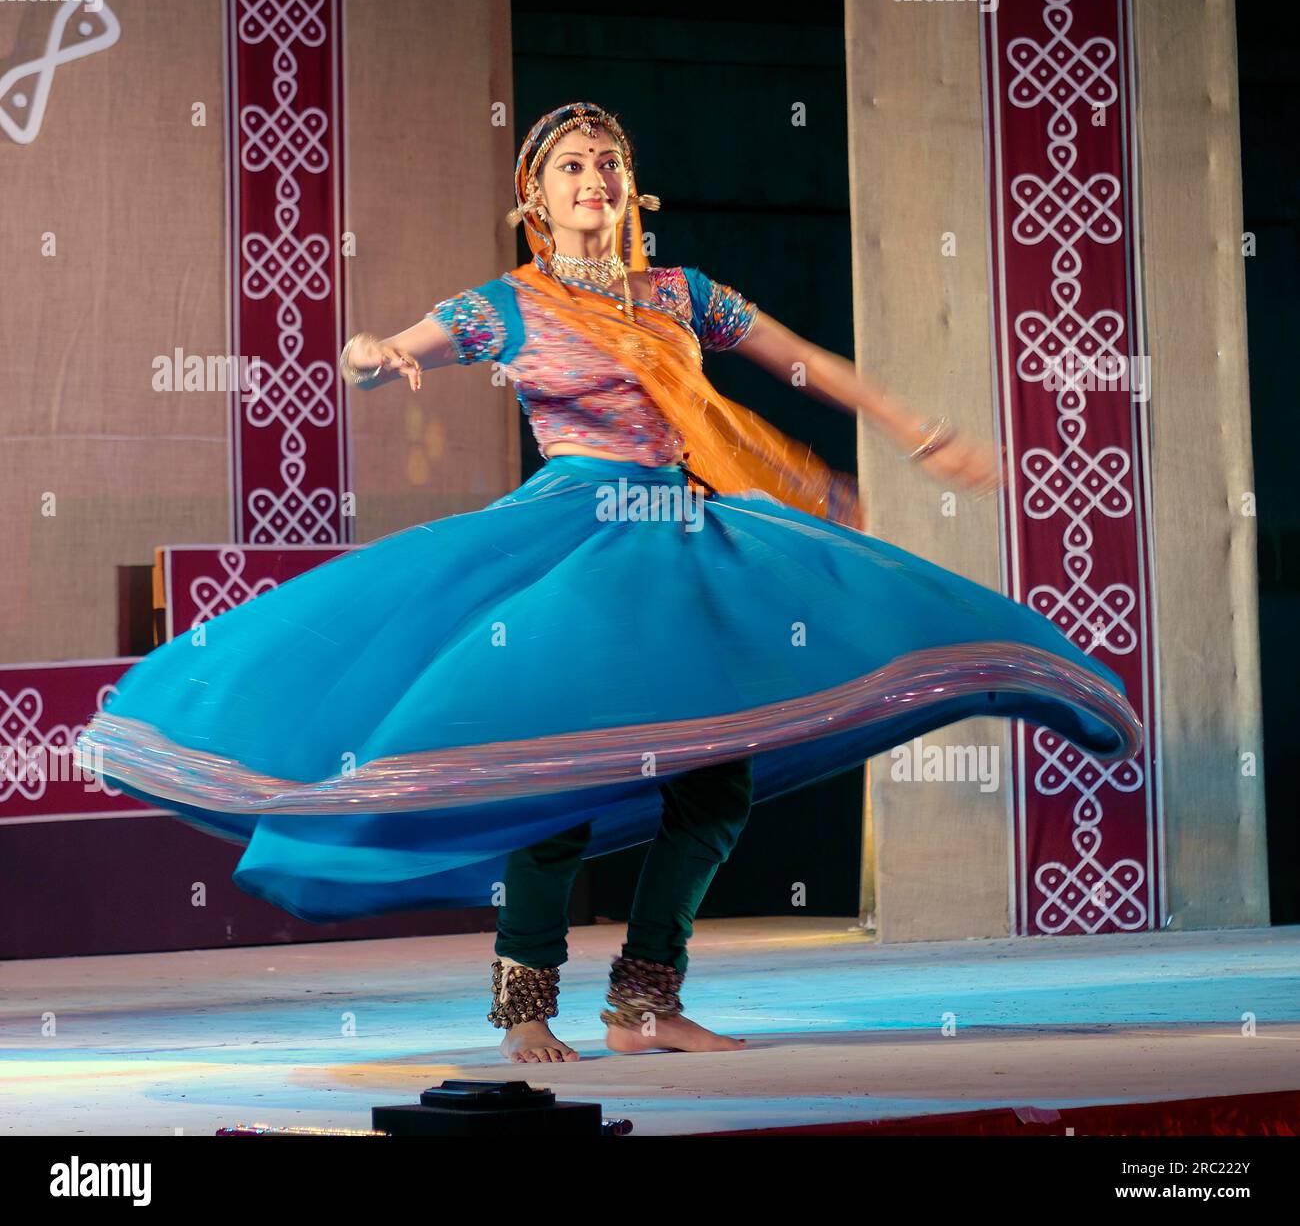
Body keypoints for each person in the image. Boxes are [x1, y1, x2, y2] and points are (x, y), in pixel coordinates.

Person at [77, 102, 1143, 1067]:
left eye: (609, 164)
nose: (594, 179)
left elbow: (800, 360)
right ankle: (525, 1007)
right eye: (572, 166)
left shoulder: (682, 295)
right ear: (532, 199)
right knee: (555, 773)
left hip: (682, 533)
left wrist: (914, 428)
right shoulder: (506, 307)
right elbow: (383, 352)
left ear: (632, 190)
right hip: (571, 540)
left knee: (715, 783)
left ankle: (646, 1000)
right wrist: (368, 355)